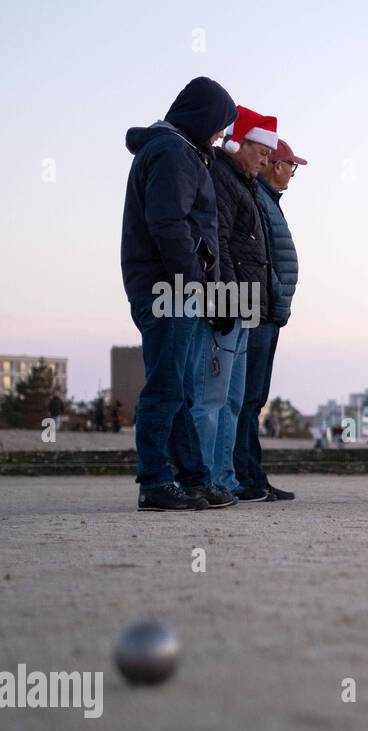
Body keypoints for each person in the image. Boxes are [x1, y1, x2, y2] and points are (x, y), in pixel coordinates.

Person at [120, 76, 238, 512]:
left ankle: (192, 479)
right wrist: (196, 288)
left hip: (177, 288)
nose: (222, 135)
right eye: (221, 125)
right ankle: (153, 481)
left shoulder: (183, 152)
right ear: (204, 117)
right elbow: (169, 226)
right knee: (167, 387)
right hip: (167, 289)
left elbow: (192, 231)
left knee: (182, 389)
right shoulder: (172, 152)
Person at [204, 105, 278, 504]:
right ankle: (208, 477)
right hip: (233, 303)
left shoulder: (243, 182)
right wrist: (228, 299)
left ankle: (225, 478)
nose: (265, 161)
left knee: (233, 400)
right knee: (216, 399)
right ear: (239, 144)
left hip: (246, 304)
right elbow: (222, 245)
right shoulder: (223, 177)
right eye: (262, 153)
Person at [239, 139, 307, 502]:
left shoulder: (267, 200)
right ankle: (247, 480)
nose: (291, 174)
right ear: (273, 164)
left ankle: (254, 477)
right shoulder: (258, 199)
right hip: (261, 310)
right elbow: (261, 258)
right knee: (248, 399)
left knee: (254, 400)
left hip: (269, 310)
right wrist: (277, 292)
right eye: (289, 166)